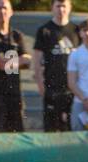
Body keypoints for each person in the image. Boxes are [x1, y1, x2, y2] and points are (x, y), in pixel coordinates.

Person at [0, 0, 30, 132]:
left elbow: (28, 61)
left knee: (18, 134)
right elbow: (0, 64)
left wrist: (8, 61)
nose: (2, 11)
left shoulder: (17, 36)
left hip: (16, 94)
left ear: (11, 12)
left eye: (5, 8)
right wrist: (17, 60)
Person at [33, 0, 78, 132]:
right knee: (51, 130)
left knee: (70, 130)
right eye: (58, 6)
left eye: (64, 6)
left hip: (72, 90)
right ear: (52, 8)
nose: (61, 9)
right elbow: (36, 61)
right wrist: (41, 86)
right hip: (51, 89)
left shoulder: (76, 30)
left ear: (69, 8)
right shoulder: (44, 30)